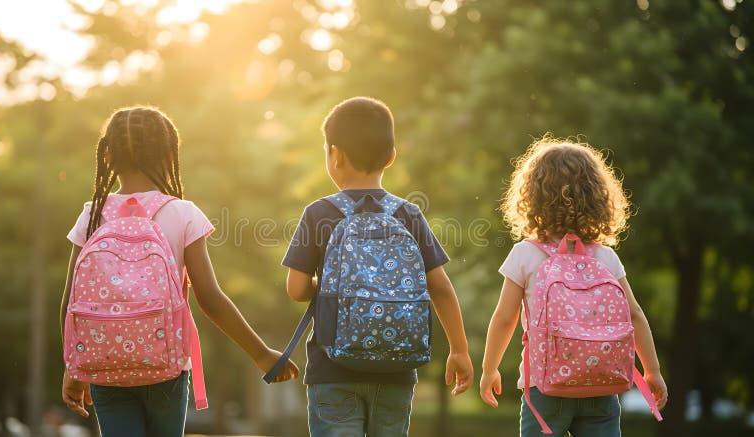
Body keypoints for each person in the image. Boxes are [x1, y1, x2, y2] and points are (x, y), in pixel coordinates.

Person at [59, 106, 298, 437]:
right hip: (166, 367)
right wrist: (261, 354)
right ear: (168, 154)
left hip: (105, 364)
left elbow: (70, 299)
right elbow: (210, 298)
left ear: (108, 155)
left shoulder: (92, 215)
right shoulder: (182, 214)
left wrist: (74, 365)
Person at [282, 97, 473, 437]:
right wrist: (459, 349)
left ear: (335, 154)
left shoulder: (318, 214)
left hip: (332, 370)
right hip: (396, 370)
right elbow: (440, 287)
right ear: (390, 157)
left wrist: (331, 290)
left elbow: (296, 289)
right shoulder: (409, 215)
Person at [479, 137, 668, 436]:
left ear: (532, 196)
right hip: (602, 386)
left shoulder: (526, 254)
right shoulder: (605, 256)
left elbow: (504, 318)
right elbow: (634, 316)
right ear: (597, 197)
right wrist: (652, 370)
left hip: (545, 388)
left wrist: (490, 369)